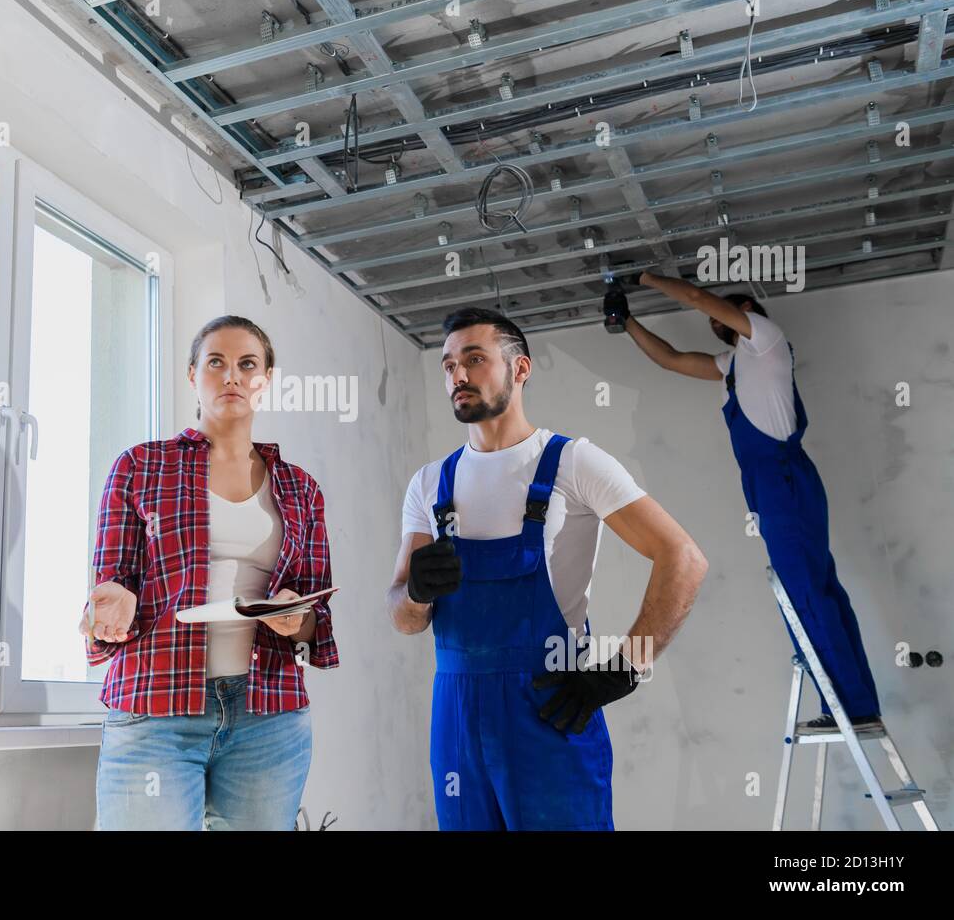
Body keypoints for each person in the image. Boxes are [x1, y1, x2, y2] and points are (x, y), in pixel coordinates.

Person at [387, 306, 706, 830]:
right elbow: (402, 615)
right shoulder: (429, 483)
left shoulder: (573, 463)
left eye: (474, 359)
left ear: (520, 369)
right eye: (447, 365)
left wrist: (626, 668)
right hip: (457, 717)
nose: (458, 376)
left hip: (549, 706)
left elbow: (684, 559)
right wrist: (415, 593)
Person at [82, 315, 339, 830]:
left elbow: (317, 615)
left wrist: (297, 619)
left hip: (269, 715)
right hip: (156, 707)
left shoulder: (301, 488)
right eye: (215, 362)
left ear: (265, 380)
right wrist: (109, 605)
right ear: (191, 375)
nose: (232, 376)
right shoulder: (139, 466)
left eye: (248, 364)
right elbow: (110, 584)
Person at [617, 271, 881, 730]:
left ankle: (850, 707)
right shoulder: (732, 365)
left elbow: (698, 297)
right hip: (767, 487)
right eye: (718, 323)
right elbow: (672, 360)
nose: (719, 323)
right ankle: (849, 702)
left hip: (784, 479)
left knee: (807, 593)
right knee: (810, 591)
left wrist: (643, 275)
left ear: (751, 315)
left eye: (731, 313)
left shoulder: (768, 342)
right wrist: (627, 321)